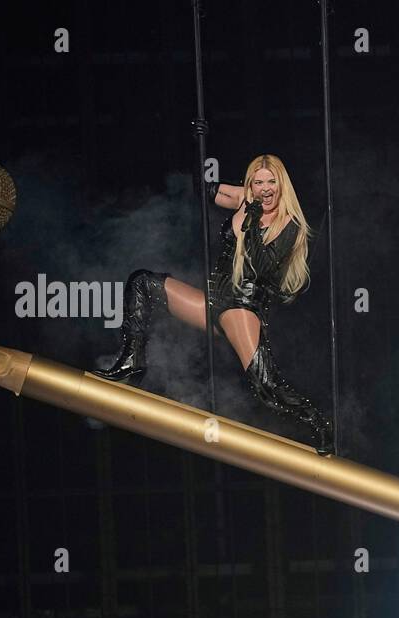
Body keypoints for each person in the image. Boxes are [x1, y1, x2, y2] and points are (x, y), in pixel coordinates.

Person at [94, 154, 334, 455]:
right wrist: (199, 144)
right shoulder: (245, 198)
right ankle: (133, 361)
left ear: (282, 184)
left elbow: (259, 265)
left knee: (266, 387)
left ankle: (320, 423)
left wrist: (250, 219)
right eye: (258, 182)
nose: (265, 188)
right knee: (143, 282)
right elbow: (203, 188)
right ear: (251, 185)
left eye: (272, 181)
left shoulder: (289, 225)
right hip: (214, 300)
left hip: (241, 308)